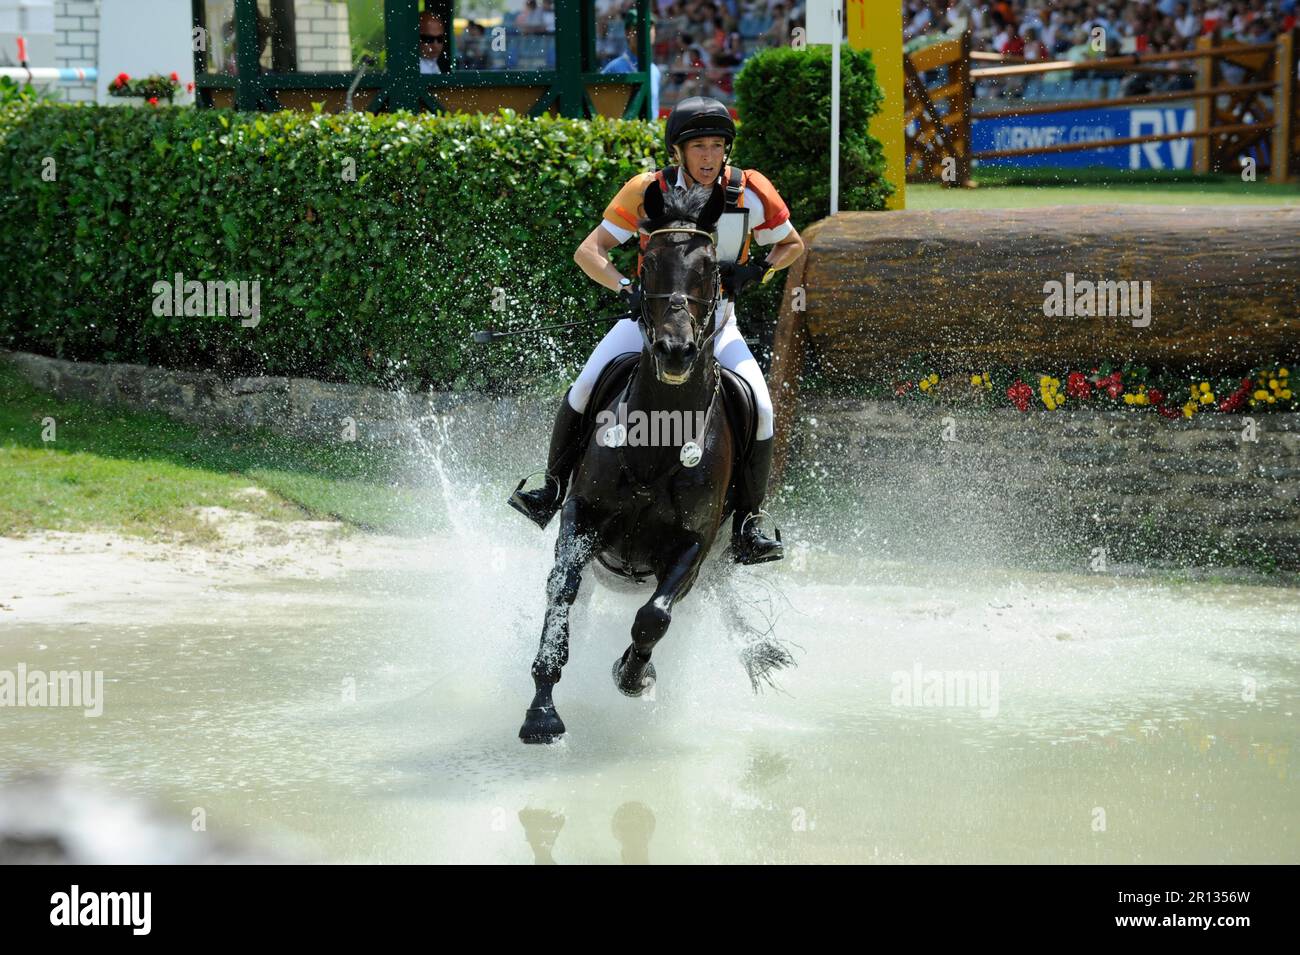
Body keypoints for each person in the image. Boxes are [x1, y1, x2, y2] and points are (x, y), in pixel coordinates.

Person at [509, 97, 806, 565]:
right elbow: (590, 251)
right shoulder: (647, 190)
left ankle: (749, 525)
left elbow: (792, 244)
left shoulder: (748, 190)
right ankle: (550, 487)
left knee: (762, 408)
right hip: (648, 324)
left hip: (717, 326)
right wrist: (626, 286)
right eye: (699, 147)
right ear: (679, 152)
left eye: (716, 146)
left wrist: (758, 271)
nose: (709, 157)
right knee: (586, 385)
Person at [602, 13, 662, 119]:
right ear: (627, 33)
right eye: (638, 28)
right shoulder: (614, 68)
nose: (645, 32)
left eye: (650, 27)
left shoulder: (655, 70)